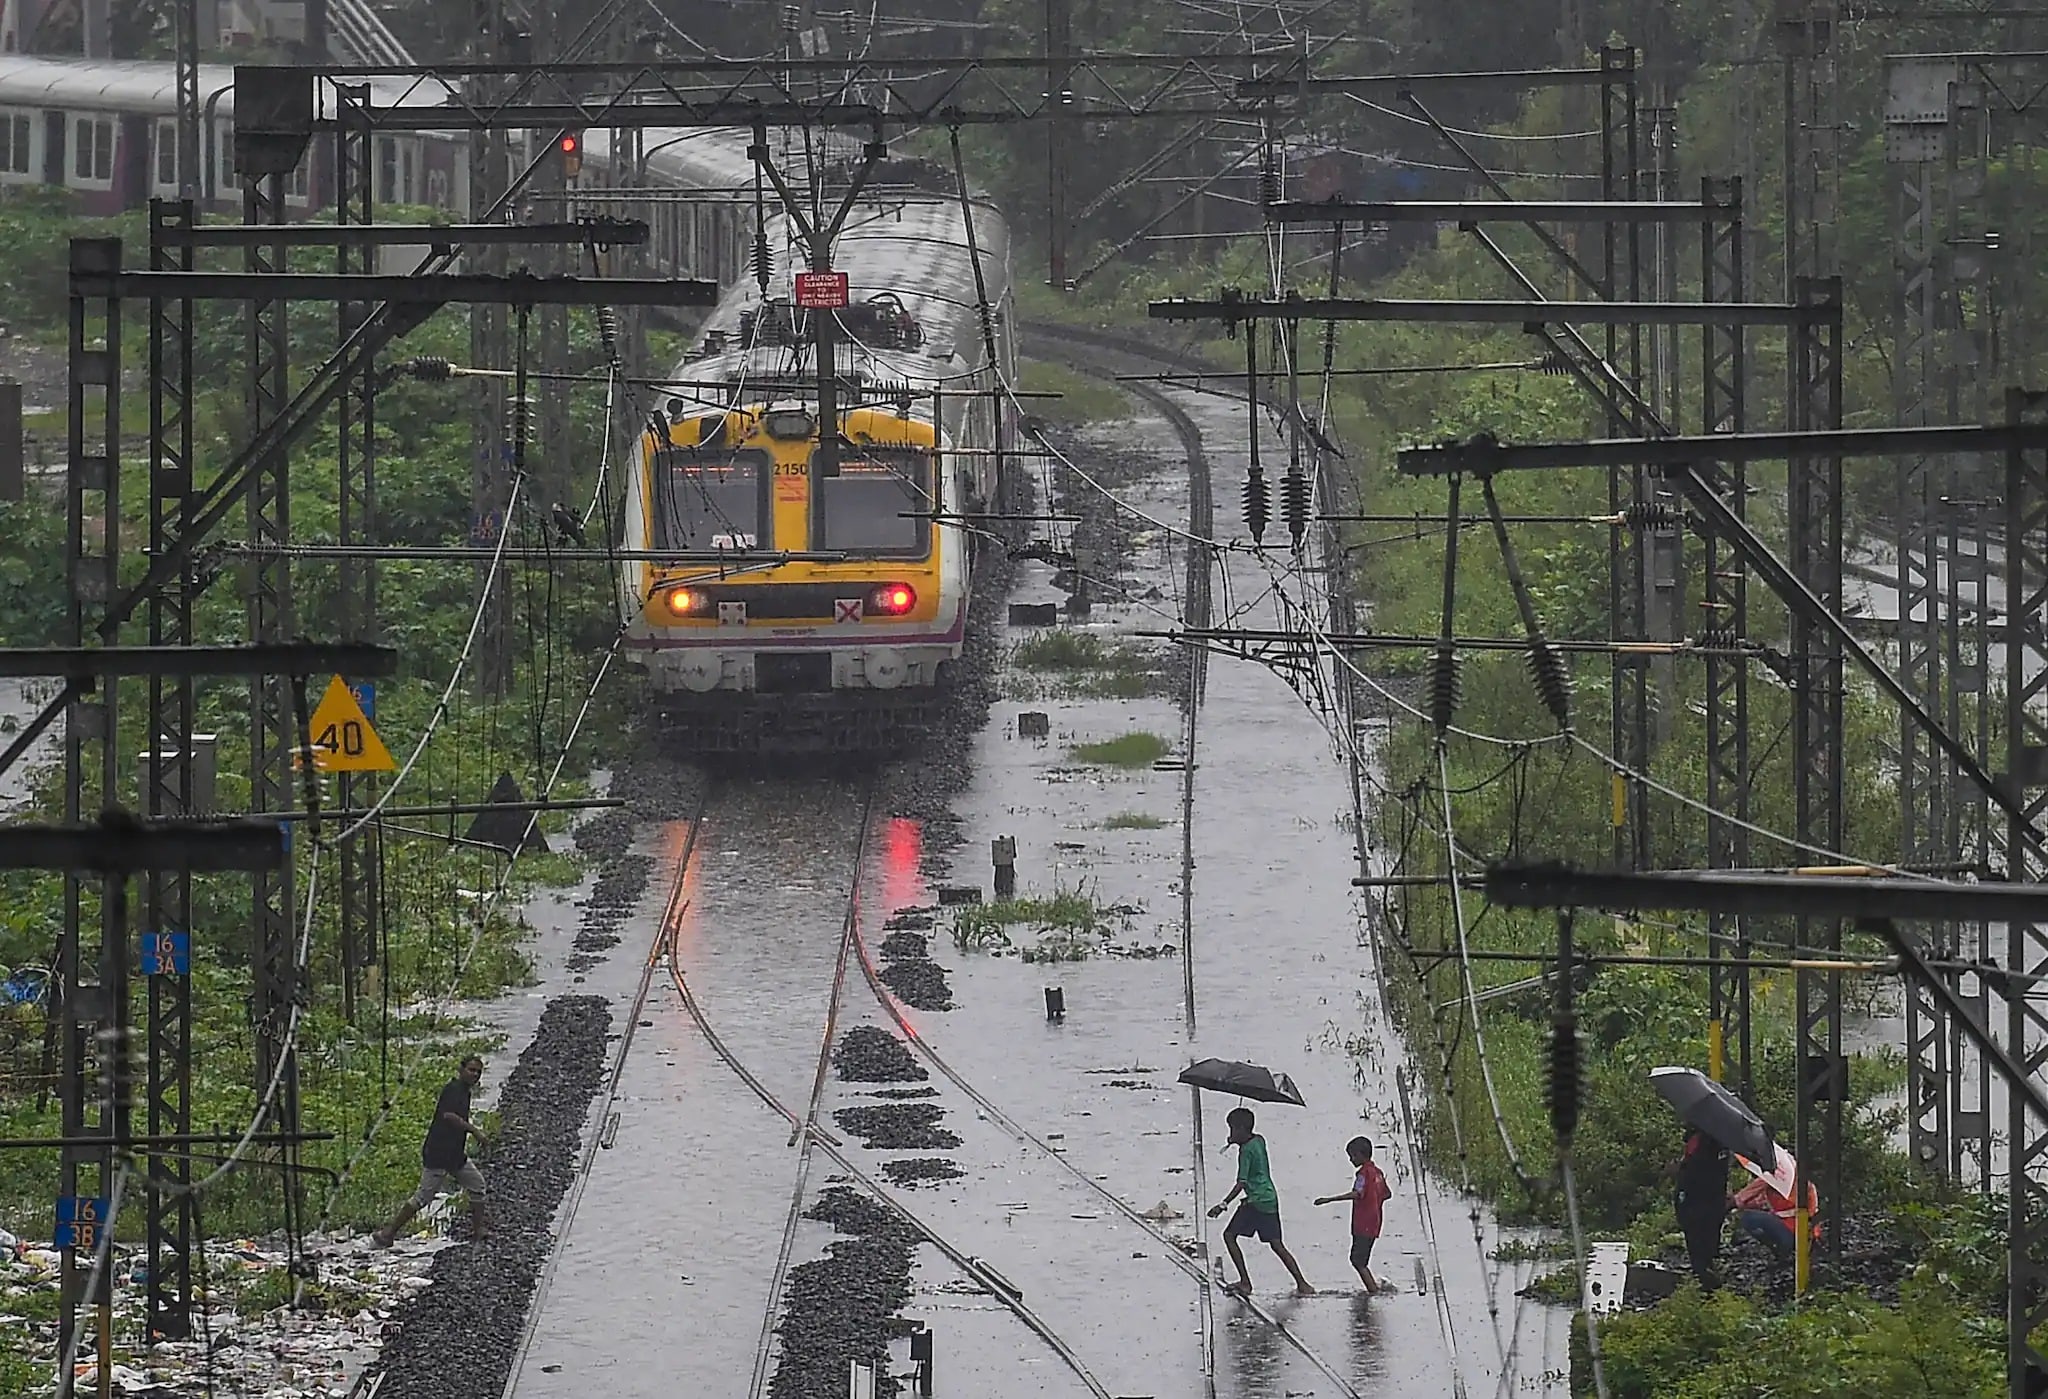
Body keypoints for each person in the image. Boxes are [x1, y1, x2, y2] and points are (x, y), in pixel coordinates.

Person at [373, 1055, 491, 1247]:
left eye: (478, 1072)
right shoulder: (453, 1089)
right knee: (423, 1196)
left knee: (478, 1185)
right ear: (461, 1070)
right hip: (438, 1151)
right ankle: (388, 1233)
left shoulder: (465, 1091)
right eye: (471, 1070)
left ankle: (478, 1230)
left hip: (454, 1153)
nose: (475, 1075)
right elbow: (449, 1116)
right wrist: (475, 1131)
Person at [1207, 1106, 1315, 1297]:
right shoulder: (1259, 1140)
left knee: (1229, 1236)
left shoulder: (1246, 1152)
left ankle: (1245, 1283)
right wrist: (1235, 1141)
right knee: (1276, 1244)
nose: (1230, 1133)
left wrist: (1223, 1204)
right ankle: (1303, 1284)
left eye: (1232, 1129)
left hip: (1256, 1201)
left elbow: (1241, 1182)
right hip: (1270, 1199)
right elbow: (1250, 1141)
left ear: (1241, 1129)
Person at [1315, 1135, 1395, 1295]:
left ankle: (1373, 1291)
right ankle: (1374, 1288)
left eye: (1353, 1156)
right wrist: (1374, 1201)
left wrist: (1329, 1199)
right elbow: (1387, 1194)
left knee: (1357, 1260)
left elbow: (1357, 1193)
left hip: (1363, 1223)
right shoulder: (1377, 1172)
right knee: (1361, 1259)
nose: (1351, 1159)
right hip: (1375, 1221)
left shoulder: (1363, 1174)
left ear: (1361, 1155)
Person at [1664, 1128, 1731, 1288]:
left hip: (1695, 1200)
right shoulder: (1724, 1141)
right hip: (1715, 1199)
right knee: (1710, 1239)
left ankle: (1704, 1280)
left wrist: (1679, 1168)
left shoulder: (1701, 1141)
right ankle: (1710, 1276)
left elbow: (1694, 1170)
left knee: (1696, 1241)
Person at [1731, 1173, 1820, 1264]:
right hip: (1789, 1229)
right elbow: (1757, 1202)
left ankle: (1784, 1250)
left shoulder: (1798, 1184)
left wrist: (1735, 1201)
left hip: (1797, 1230)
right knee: (1749, 1217)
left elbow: (1810, 1211)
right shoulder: (1773, 1185)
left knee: (1748, 1217)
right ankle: (1779, 1251)